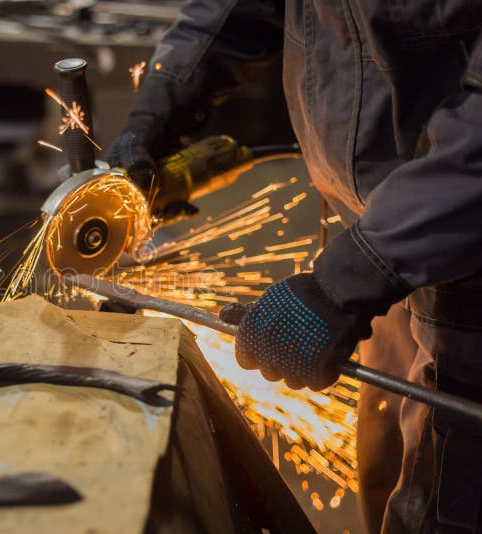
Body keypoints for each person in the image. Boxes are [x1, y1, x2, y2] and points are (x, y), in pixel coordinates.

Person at [106, 1, 482, 532]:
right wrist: (157, 116)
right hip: (381, 249)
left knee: (440, 507)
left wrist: (347, 281)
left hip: (463, 268)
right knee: (384, 466)